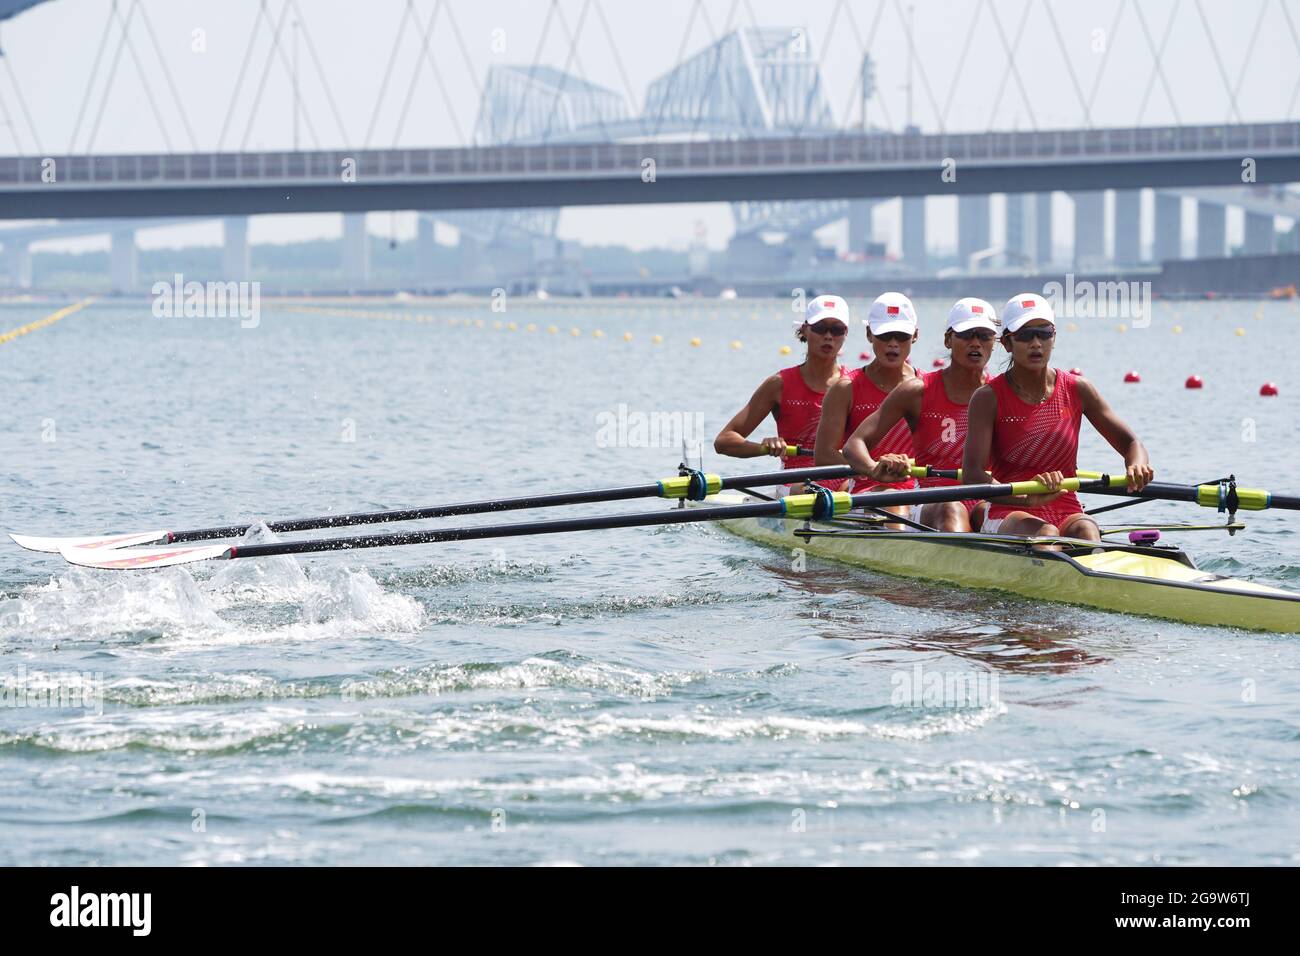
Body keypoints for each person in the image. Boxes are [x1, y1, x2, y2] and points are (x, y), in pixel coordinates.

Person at [960, 293, 1154, 542]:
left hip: (1066, 505)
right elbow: (973, 474)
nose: (1036, 343)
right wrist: (1026, 498)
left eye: (1044, 333)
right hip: (1009, 509)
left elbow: (1131, 444)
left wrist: (1136, 463)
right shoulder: (988, 398)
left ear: (1054, 337)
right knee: (1047, 535)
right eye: (1025, 335)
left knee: (1086, 531)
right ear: (1007, 343)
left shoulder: (1078, 389)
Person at [841, 297, 997, 531]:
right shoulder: (917, 390)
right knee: (951, 507)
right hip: (931, 501)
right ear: (948, 339)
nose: (976, 343)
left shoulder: (1003, 393)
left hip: (986, 497)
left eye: (984, 335)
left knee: (1001, 514)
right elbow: (854, 445)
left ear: (996, 342)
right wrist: (874, 469)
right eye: (966, 334)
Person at [713, 294, 851, 494]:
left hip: (844, 477)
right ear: (805, 330)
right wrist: (763, 447)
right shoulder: (779, 384)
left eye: (837, 330)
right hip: (794, 480)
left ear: (845, 334)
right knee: (815, 491)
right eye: (820, 328)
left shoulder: (853, 383)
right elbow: (724, 440)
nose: (829, 336)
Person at [813, 292, 919, 521]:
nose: (893, 343)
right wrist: (873, 468)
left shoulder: (926, 386)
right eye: (885, 335)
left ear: (915, 335)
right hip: (867, 489)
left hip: (923, 489)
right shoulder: (845, 388)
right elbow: (824, 455)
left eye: (901, 336)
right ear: (869, 334)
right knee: (892, 501)